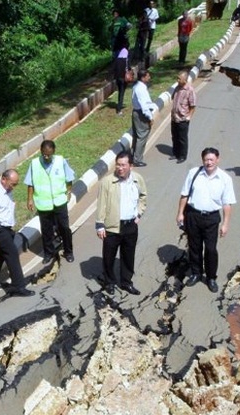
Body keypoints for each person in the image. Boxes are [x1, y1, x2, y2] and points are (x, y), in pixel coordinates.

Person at [176, 147, 236, 294]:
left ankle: (211, 277)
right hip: (193, 215)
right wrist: (180, 213)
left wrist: (225, 224)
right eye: (206, 160)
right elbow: (184, 194)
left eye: (211, 159)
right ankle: (196, 273)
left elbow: (227, 204)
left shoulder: (225, 179)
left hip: (211, 218)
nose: (209, 162)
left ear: (218, 159)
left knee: (210, 249)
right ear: (202, 160)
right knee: (194, 246)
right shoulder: (194, 173)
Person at [95, 150, 148, 295]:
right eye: (118, 165)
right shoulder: (107, 182)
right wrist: (100, 225)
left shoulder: (138, 179)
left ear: (131, 166)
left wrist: (139, 213)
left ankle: (126, 282)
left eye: (123, 165)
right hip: (112, 226)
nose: (120, 168)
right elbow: (101, 204)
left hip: (130, 225)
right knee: (109, 257)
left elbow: (143, 196)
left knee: (128, 256)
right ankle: (109, 282)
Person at [0, 169, 34, 297]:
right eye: (12, 184)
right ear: (3, 179)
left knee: (1, 255)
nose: (13, 187)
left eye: (16, 184)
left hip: (6, 228)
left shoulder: (7, 190)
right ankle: (18, 286)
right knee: (12, 254)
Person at [25, 140, 76, 264]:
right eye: (44, 154)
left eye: (49, 154)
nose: (46, 157)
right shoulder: (34, 164)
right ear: (41, 151)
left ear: (53, 152)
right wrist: (30, 199)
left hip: (59, 201)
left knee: (64, 227)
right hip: (43, 204)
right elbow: (30, 183)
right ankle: (48, 253)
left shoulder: (60, 161)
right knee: (46, 230)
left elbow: (69, 178)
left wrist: (69, 192)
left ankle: (68, 251)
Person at [170, 70, 197, 164]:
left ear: (184, 80)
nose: (177, 80)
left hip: (183, 118)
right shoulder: (177, 87)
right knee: (175, 136)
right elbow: (173, 97)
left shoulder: (190, 90)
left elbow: (193, 106)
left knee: (182, 138)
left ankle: (182, 155)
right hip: (174, 117)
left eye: (179, 79)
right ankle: (175, 153)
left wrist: (189, 116)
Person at [131, 69, 155, 167]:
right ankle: (137, 159)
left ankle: (134, 155)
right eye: (148, 76)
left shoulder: (136, 86)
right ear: (143, 77)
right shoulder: (141, 89)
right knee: (142, 136)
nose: (149, 78)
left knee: (137, 135)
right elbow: (144, 105)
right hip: (141, 114)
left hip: (136, 112)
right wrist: (150, 117)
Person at [113, 38, 131, 115]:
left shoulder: (117, 59)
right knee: (122, 93)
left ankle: (119, 105)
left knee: (120, 92)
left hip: (118, 78)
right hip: (124, 78)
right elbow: (129, 68)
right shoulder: (126, 59)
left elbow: (114, 69)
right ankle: (119, 109)